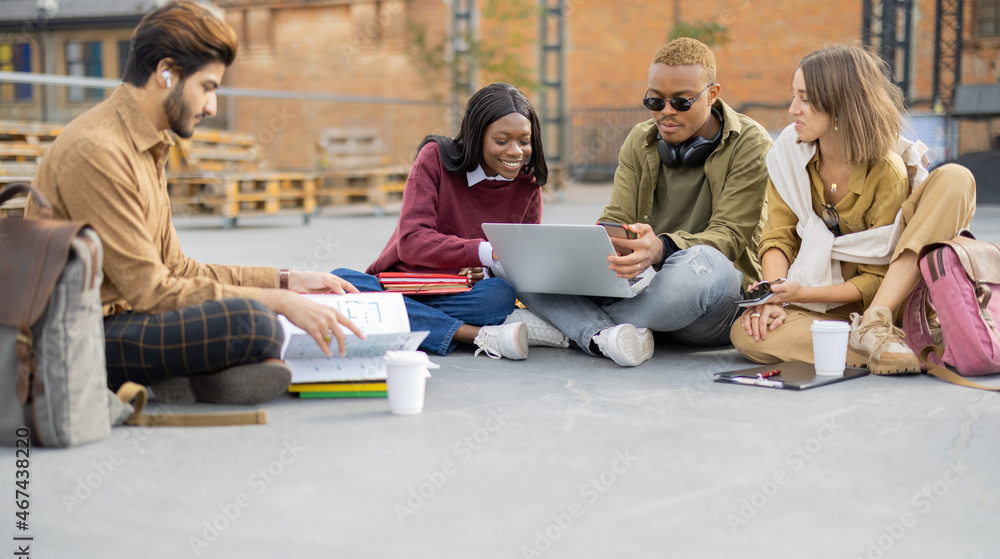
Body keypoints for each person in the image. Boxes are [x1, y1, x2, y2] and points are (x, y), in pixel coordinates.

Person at [24, 0, 363, 404]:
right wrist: (276, 301)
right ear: (166, 72)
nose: (211, 106)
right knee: (254, 322)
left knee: (272, 310)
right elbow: (153, 290)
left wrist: (288, 281)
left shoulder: (148, 144)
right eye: (207, 87)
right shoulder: (98, 151)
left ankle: (191, 374)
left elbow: (177, 269)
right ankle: (195, 370)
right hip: (79, 335)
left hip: (130, 320)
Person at [517, 37, 771, 367]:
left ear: (712, 94)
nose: (665, 112)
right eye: (655, 101)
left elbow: (730, 236)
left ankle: (577, 326)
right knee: (520, 266)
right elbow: (618, 218)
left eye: (680, 103)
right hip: (642, 287)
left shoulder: (750, 142)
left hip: (708, 302)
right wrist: (590, 251)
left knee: (706, 265)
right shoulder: (640, 138)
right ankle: (605, 335)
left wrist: (660, 249)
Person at [730, 45, 976, 374]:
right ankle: (891, 350)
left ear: (839, 104)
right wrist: (774, 295)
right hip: (825, 303)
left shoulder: (886, 171)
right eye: (794, 96)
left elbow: (878, 275)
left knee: (957, 177)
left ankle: (878, 331)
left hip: (885, 302)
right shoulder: (789, 154)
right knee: (747, 335)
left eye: (804, 98)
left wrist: (803, 293)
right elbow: (778, 237)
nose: (792, 110)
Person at [333, 83, 566, 359]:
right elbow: (411, 241)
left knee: (498, 295)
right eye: (501, 141)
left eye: (523, 141)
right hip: (403, 281)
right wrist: (484, 252)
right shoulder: (435, 158)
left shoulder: (527, 183)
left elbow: (519, 259)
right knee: (340, 282)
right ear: (476, 136)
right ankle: (476, 334)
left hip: (461, 293)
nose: (515, 151)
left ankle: (389, 316)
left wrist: (488, 270)